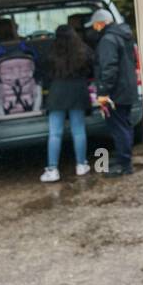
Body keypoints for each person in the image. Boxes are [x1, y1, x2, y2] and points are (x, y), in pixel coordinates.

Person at [39, 25, 93, 183]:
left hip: (57, 93)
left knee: (55, 133)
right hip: (78, 91)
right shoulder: (83, 50)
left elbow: (44, 72)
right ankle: (81, 165)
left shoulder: (51, 51)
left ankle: (52, 169)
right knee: (79, 130)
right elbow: (92, 68)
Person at [88, 8, 138, 177]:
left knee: (119, 128)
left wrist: (103, 92)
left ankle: (124, 165)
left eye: (95, 25)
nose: (94, 28)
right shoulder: (123, 36)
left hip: (116, 93)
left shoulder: (107, 40)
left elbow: (109, 69)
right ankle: (124, 158)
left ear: (101, 23)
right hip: (127, 89)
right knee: (124, 125)